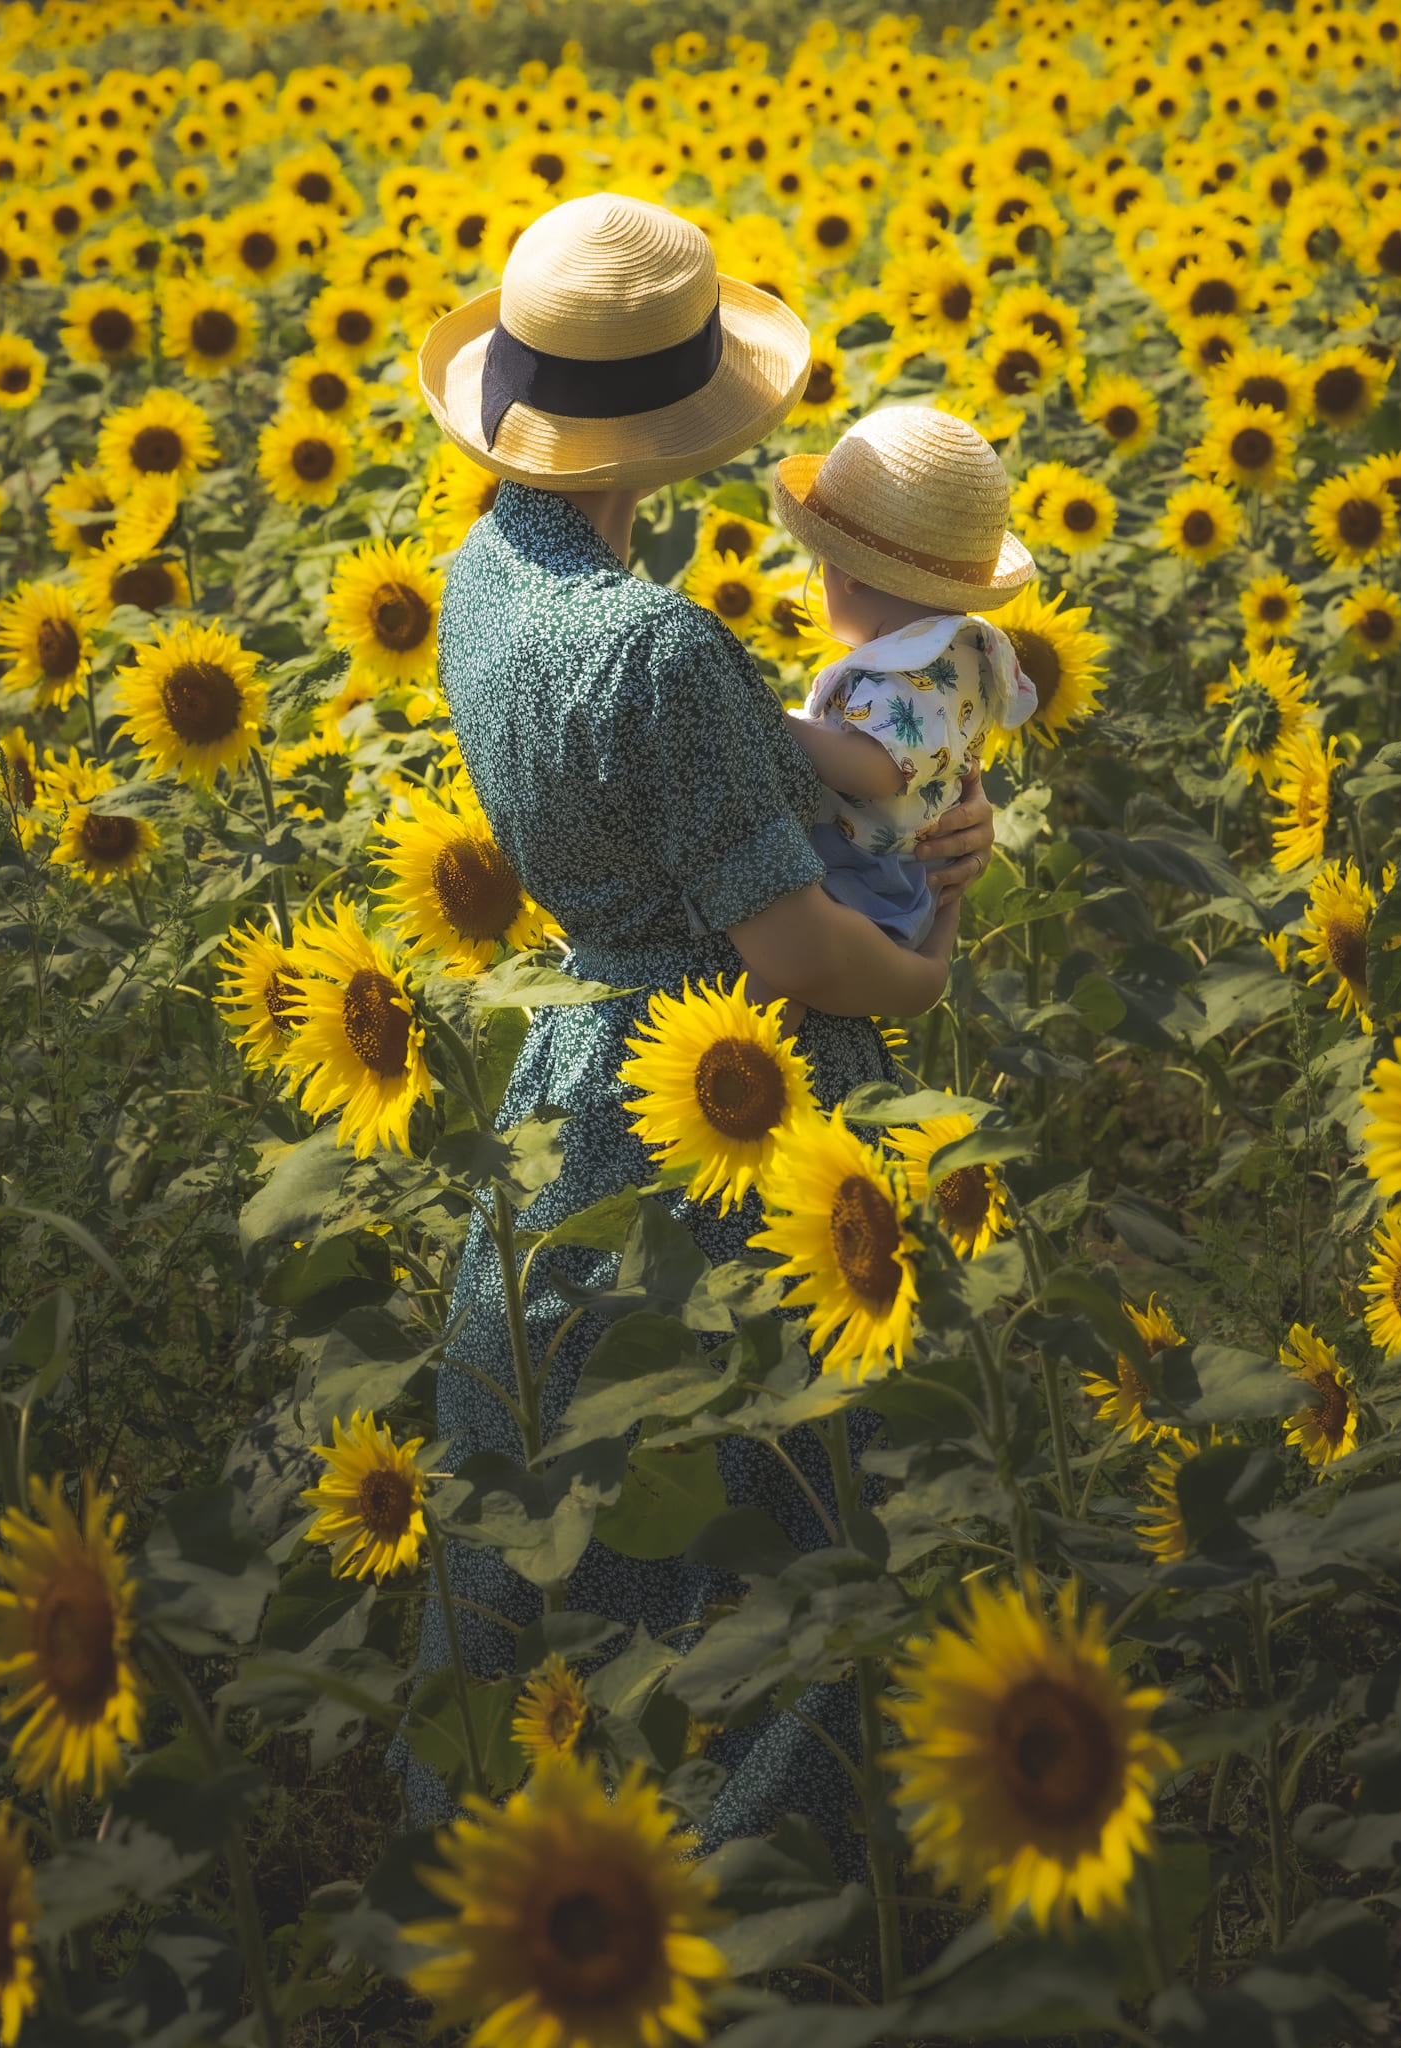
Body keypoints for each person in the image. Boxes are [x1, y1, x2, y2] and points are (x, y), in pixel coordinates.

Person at [399, 192, 1001, 1857]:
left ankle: (516, 1847)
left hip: (575, 1066)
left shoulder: (476, 581)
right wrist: (936, 932)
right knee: (765, 1495)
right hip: (720, 1090)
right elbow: (799, 948)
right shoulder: (652, 643)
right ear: (671, 422)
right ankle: (755, 1875)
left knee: (572, 1458)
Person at [774, 407, 1038, 946]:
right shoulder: (958, 652)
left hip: (865, 879)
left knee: (784, 962)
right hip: (901, 873)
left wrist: (772, 723)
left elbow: (877, 770)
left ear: (846, 576)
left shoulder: (909, 672)